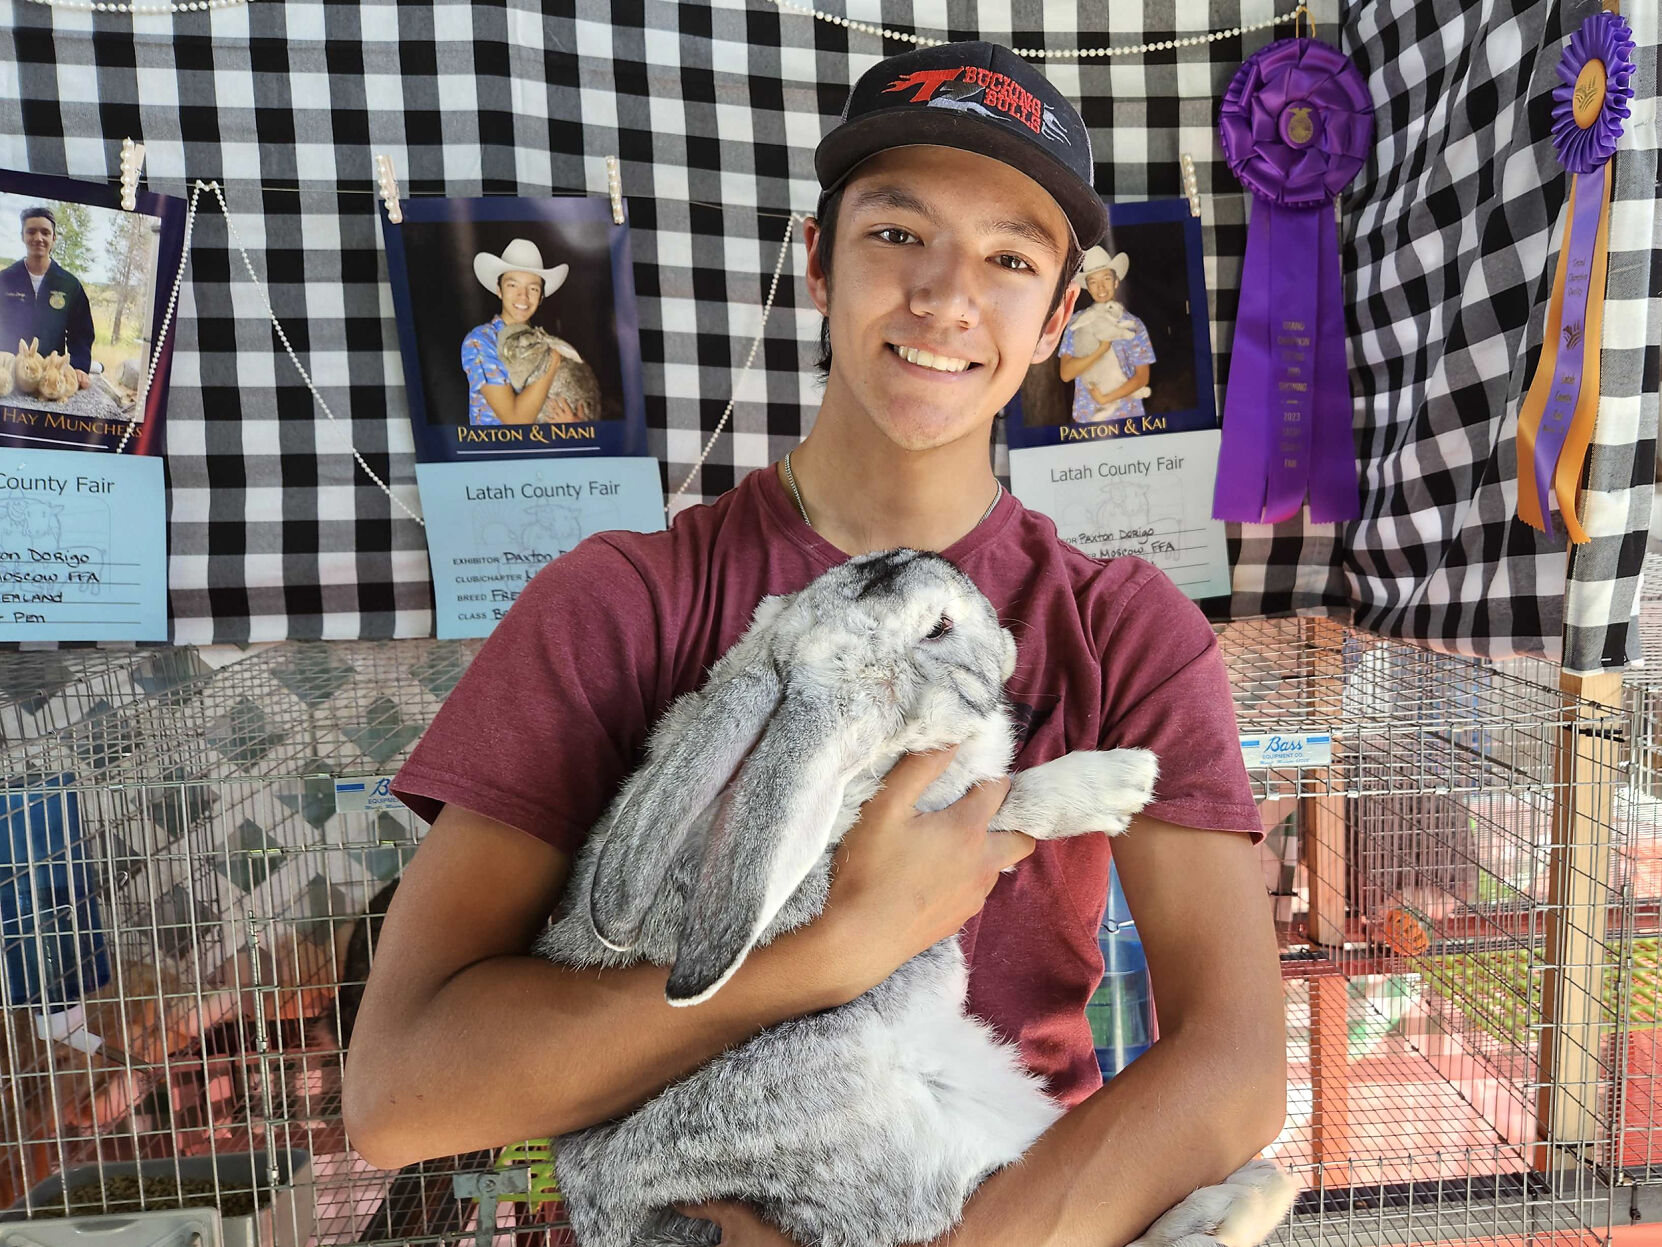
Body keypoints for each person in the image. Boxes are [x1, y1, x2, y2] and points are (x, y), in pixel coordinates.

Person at [347, 39, 1285, 1247]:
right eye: (898, 234)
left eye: (1008, 258)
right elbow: (398, 1092)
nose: (947, 296)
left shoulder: (1122, 626)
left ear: (1059, 317)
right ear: (818, 265)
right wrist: (837, 949)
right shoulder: (624, 600)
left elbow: (1237, 1062)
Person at [461, 238, 590, 425]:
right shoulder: (481, 341)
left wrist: (576, 425)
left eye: (533, 288)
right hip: (498, 451)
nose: (524, 296)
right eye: (513, 285)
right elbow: (515, 421)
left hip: (548, 449)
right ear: (499, 290)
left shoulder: (546, 342)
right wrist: (552, 362)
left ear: (541, 297)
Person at [1059, 246, 1156, 423]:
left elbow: (1142, 377)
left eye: (1106, 278)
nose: (1101, 287)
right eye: (1093, 282)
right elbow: (1066, 373)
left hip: (1129, 417)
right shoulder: (1077, 322)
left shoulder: (1134, 325)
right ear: (1087, 286)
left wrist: (1106, 399)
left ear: (1116, 282)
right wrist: (1100, 350)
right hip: (1088, 418)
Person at [0, 206, 95, 386]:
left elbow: (82, 333)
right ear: (22, 236)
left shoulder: (70, 284)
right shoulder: (4, 279)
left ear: (54, 238)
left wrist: (79, 367)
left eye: (45, 232)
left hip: (51, 376)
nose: (38, 238)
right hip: (8, 374)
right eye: (31, 232)